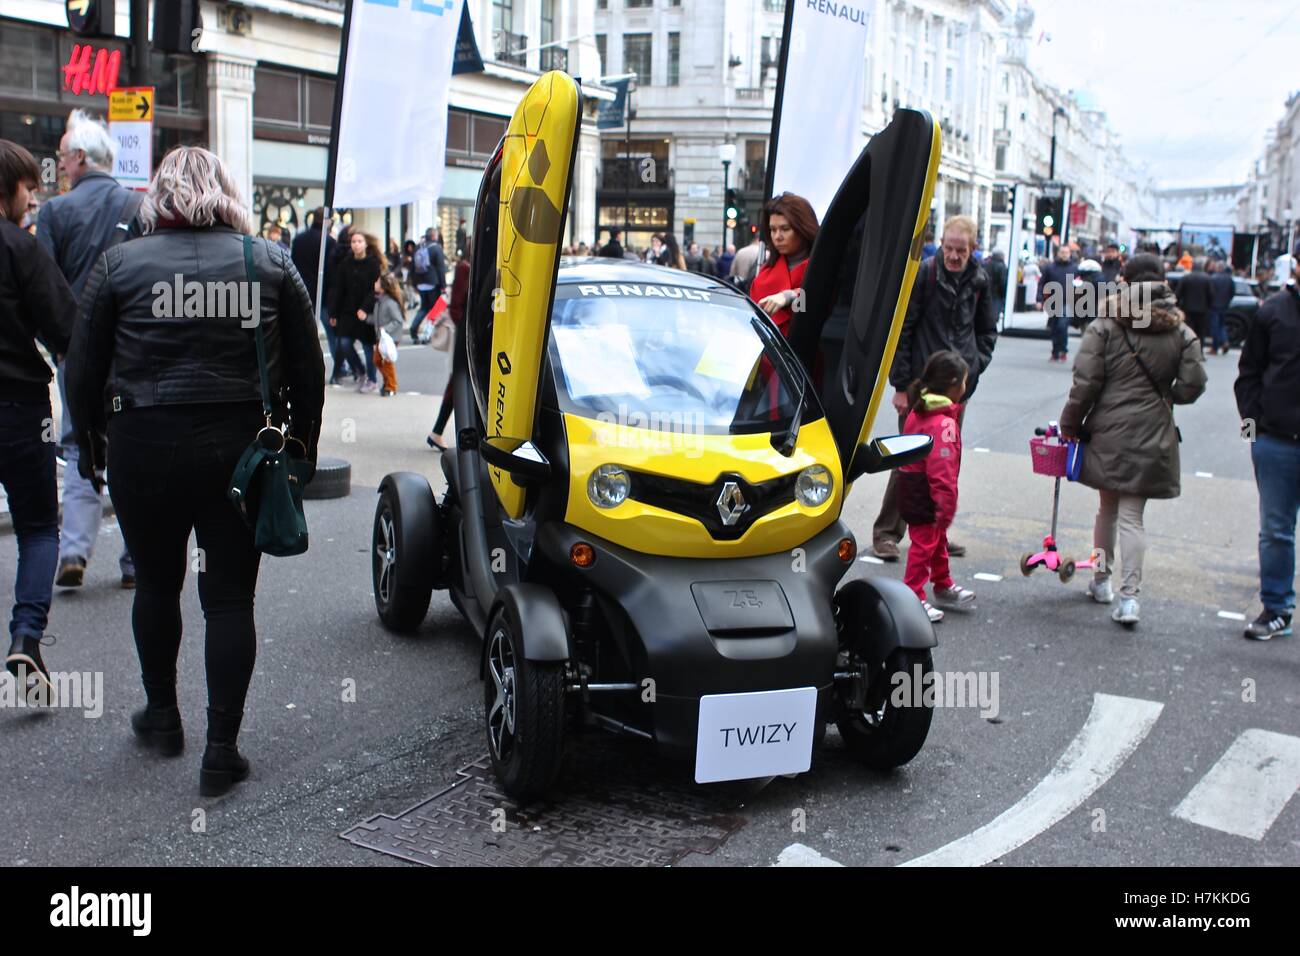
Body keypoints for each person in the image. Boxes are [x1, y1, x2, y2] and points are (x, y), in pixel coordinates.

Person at [64, 145, 325, 795]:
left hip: (141, 442)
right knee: (230, 597)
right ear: (224, 190)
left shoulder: (119, 264)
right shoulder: (267, 261)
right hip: (240, 447)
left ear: (159, 195)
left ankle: (161, 716)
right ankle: (222, 748)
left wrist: (93, 449)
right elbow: (308, 369)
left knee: (155, 583)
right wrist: (303, 449)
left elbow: (81, 371)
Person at [1058, 254, 1207, 627]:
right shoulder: (1180, 331)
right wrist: (1166, 396)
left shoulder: (1106, 324)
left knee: (1106, 509)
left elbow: (1085, 384)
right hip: (1153, 431)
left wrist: (1070, 424)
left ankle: (1101, 580)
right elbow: (1193, 384)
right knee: (1132, 518)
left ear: (1124, 281)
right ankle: (1129, 599)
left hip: (1107, 429)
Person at [35, 109, 138, 590]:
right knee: (128, 449)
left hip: (77, 350)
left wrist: (61, 349)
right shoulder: (135, 207)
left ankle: (74, 549)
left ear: (79, 157)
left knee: (78, 445)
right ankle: (135, 560)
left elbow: (47, 285)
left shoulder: (56, 212)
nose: (60, 165)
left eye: (62, 157)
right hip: (129, 350)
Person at [0, 140, 77, 699]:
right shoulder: (19, 250)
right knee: (35, 527)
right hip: (17, 405)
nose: (32, 202)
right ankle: (26, 638)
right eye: (28, 190)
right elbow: (65, 327)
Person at [874, 215, 995, 561]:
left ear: (973, 249)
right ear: (941, 242)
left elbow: (987, 330)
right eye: (949, 247)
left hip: (959, 389)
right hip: (921, 389)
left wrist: (974, 366)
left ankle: (936, 535)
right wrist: (899, 386)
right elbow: (903, 331)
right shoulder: (925, 274)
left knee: (945, 462)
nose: (953, 256)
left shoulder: (980, 280)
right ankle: (886, 533)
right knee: (908, 461)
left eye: (961, 250)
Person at [1235, 257, 1300, 639]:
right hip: (1275, 441)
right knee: (1276, 531)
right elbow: (1248, 376)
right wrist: (1252, 436)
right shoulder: (1273, 312)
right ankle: (1277, 607)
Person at [897, 351, 976, 623]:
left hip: (912, 486)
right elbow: (942, 472)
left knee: (936, 540)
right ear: (954, 384)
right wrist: (946, 504)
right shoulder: (944, 423)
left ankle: (943, 584)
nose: (965, 387)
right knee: (923, 546)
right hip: (928, 494)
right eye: (964, 382)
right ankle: (913, 595)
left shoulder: (918, 410)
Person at [749, 192, 818, 338]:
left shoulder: (820, 267)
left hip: (799, 354)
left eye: (785, 229)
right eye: (773, 230)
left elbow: (819, 302)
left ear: (803, 228)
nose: (777, 236)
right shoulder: (766, 269)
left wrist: (792, 295)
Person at [291, 207, 346, 383]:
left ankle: (304, 368)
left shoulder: (299, 240)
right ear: (327, 221)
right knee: (332, 332)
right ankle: (339, 368)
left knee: (304, 333)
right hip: (323, 294)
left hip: (302, 290)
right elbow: (332, 272)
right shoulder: (328, 242)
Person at [428, 237, 471, 451]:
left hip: (470, 336)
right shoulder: (465, 268)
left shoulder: (468, 267)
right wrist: (468, 333)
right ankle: (438, 432)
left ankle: (437, 432)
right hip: (467, 337)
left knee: (459, 383)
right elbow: (456, 307)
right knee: (458, 383)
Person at [331, 231, 383, 393]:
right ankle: (360, 371)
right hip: (348, 310)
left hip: (366, 312)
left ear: (366, 244)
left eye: (359, 241)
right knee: (344, 343)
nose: (356, 244)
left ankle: (372, 379)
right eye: (353, 241)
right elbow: (339, 289)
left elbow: (375, 290)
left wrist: (365, 308)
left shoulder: (373, 264)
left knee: (368, 347)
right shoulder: (345, 264)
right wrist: (334, 313)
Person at [1038, 243, 1077, 362]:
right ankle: (1055, 351)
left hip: (1068, 302)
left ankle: (1063, 350)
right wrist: (1039, 299)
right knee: (1054, 327)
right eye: (1062, 252)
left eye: (1066, 252)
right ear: (1058, 253)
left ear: (1070, 254)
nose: (1064, 255)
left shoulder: (1075, 268)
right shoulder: (1050, 268)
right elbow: (1042, 284)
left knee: (1062, 326)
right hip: (1053, 301)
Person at [371, 272, 406, 397]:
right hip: (382, 337)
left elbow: (398, 320)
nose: (375, 284)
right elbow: (377, 318)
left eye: (377, 282)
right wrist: (366, 318)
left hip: (390, 338)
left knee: (387, 362)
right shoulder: (379, 301)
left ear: (383, 286)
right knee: (378, 360)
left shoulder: (390, 303)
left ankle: (391, 386)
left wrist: (384, 329)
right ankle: (387, 383)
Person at [409, 227, 447, 342]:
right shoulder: (436, 248)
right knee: (435, 310)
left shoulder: (418, 248)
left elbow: (412, 268)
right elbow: (441, 268)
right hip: (433, 283)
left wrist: (414, 284)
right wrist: (443, 286)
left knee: (424, 307)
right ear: (434, 236)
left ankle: (413, 329)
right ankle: (427, 334)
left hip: (420, 283)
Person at [1207, 259, 1234, 355]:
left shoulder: (1213, 278)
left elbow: (1210, 293)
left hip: (1214, 306)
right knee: (1222, 326)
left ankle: (1215, 347)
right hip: (1224, 306)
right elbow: (1232, 292)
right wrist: (1227, 301)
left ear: (1218, 268)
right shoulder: (1229, 278)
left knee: (1215, 327)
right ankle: (1225, 341)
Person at [983, 249, 1008, 326]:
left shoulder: (987, 264)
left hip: (988, 290)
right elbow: (1003, 281)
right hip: (997, 292)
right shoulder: (1002, 266)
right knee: (995, 309)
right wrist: (1004, 292)